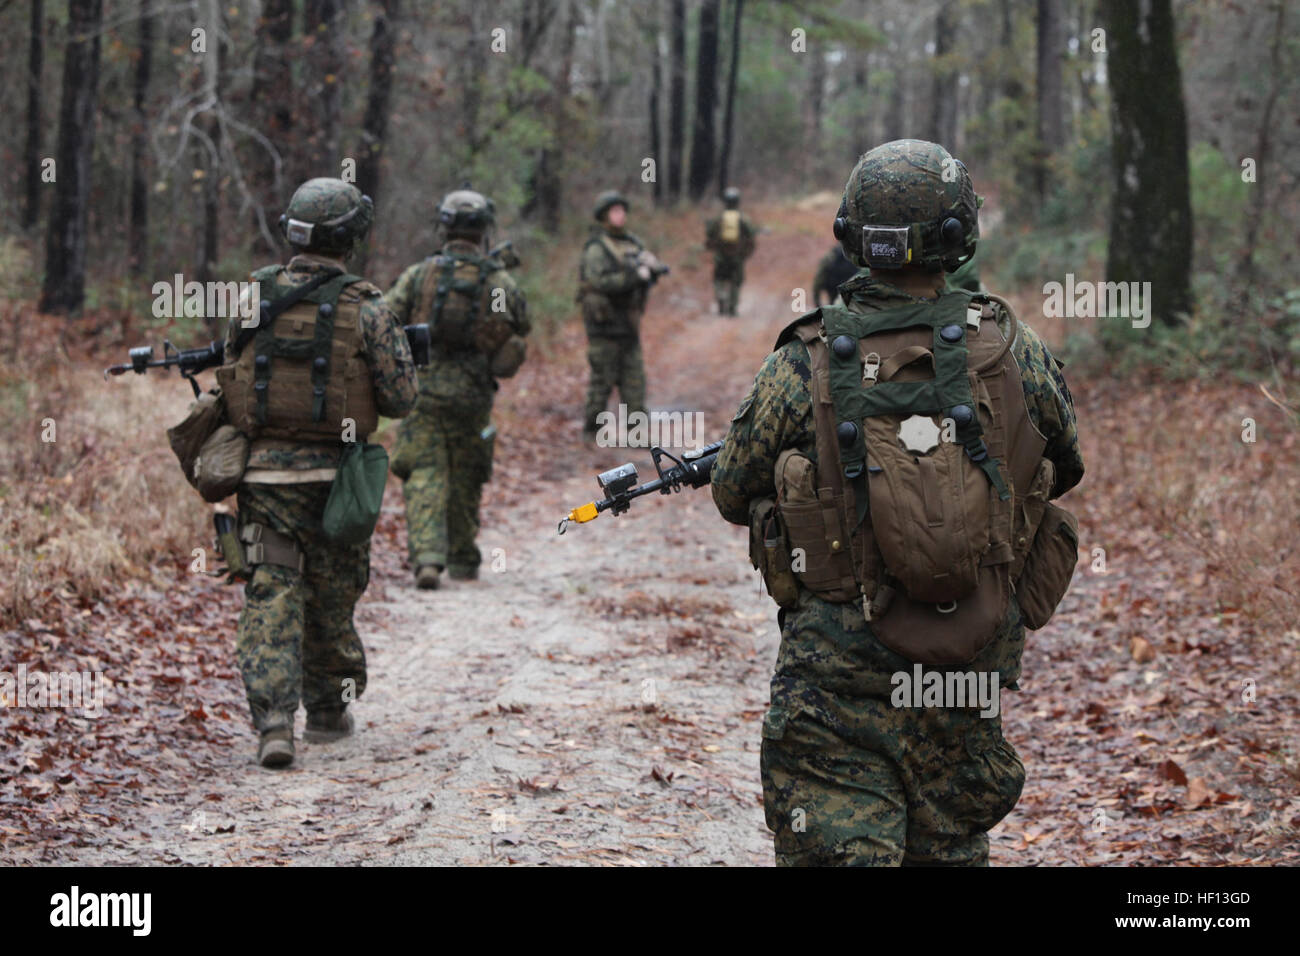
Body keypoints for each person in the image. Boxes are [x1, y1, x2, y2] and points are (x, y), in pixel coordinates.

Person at [710, 140, 1085, 865]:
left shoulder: (804, 359)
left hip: (835, 684)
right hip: (963, 671)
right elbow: (1063, 466)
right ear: (960, 233)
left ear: (852, 234)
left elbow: (732, 489)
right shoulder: (1013, 348)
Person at [215, 177, 418, 768]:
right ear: (352, 237)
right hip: (337, 483)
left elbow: (231, 359)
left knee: (271, 592)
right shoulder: (369, 308)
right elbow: (402, 399)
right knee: (332, 594)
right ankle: (328, 711)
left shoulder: (255, 295)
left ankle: (274, 722)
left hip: (264, 479)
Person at [384, 187, 529, 590]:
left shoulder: (420, 274)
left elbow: (386, 319)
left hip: (424, 390)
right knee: (467, 475)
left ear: (443, 227)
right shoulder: (497, 280)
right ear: (484, 229)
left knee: (423, 472)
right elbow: (515, 326)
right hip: (472, 393)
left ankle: (428, 557)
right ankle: (463, 558)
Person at [578, 190, 667, 444]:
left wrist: (652, 270)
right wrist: (632, 276)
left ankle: (637, 434)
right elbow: (597, 282)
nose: (620, 215)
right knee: (601, 382)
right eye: (614, 211)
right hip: (604, 327)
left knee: (634, 381)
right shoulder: (597, 248)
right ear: (604, 216)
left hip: (629, 325)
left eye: (622, 210)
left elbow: (647, 273)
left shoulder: (633, 242)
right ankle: (590, 433)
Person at [704, 186, 758, 316]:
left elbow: (709, 233)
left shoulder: (719, 218)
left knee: (719, 278)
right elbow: (751, 234)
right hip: (737, 256)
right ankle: (732, 308)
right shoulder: (742, 218)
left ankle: (721, 299)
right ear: (737, 201)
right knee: (736, 280)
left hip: (720, 255)